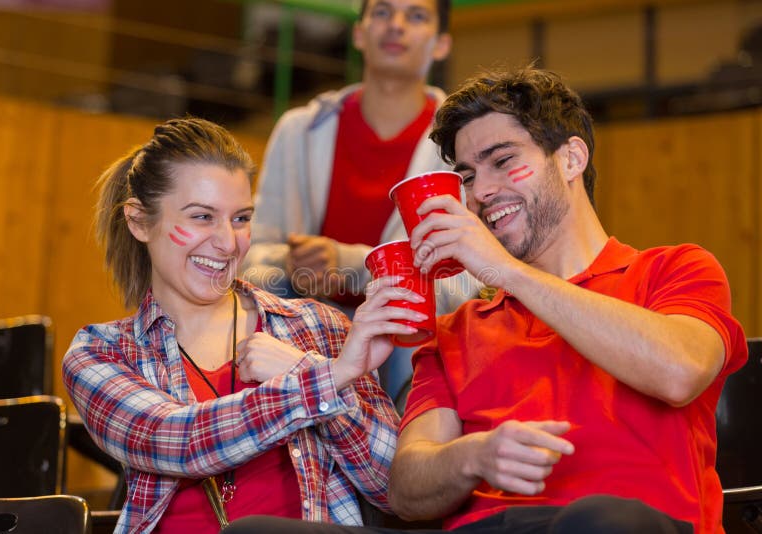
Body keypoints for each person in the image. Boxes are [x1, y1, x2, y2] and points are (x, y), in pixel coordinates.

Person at [224, 66, 748, 534]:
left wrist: (508, 272)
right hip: (490, 526)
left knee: (602, 521)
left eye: (503, 161)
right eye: (469, 177)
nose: (480, 193)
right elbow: (406, 491)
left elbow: (679, 371)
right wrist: (475, 456)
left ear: (571, 158)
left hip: (621, 523)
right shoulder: (458, 329)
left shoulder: (673, 270)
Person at [62, 117, 422, 533]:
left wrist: (305, 368)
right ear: (140, 221)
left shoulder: (318, 326)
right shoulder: (101, 353)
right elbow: (180, 442)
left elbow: (394, 489)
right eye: (202, 217)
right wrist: (325, 378)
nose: (228, 242)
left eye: (241, 219)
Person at [242, 0, 479, 399]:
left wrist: (351, 264)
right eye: (382, 12)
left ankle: (407, 432)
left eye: (416, 16)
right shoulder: (298, 130)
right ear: (358, 32)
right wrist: (291, 263)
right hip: (306, 330)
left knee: (422, 317)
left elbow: (464, 280)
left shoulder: (464, 143)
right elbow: (249, 254)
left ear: (441, 44)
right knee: (258, 289)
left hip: (404, 344)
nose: (396, 25)